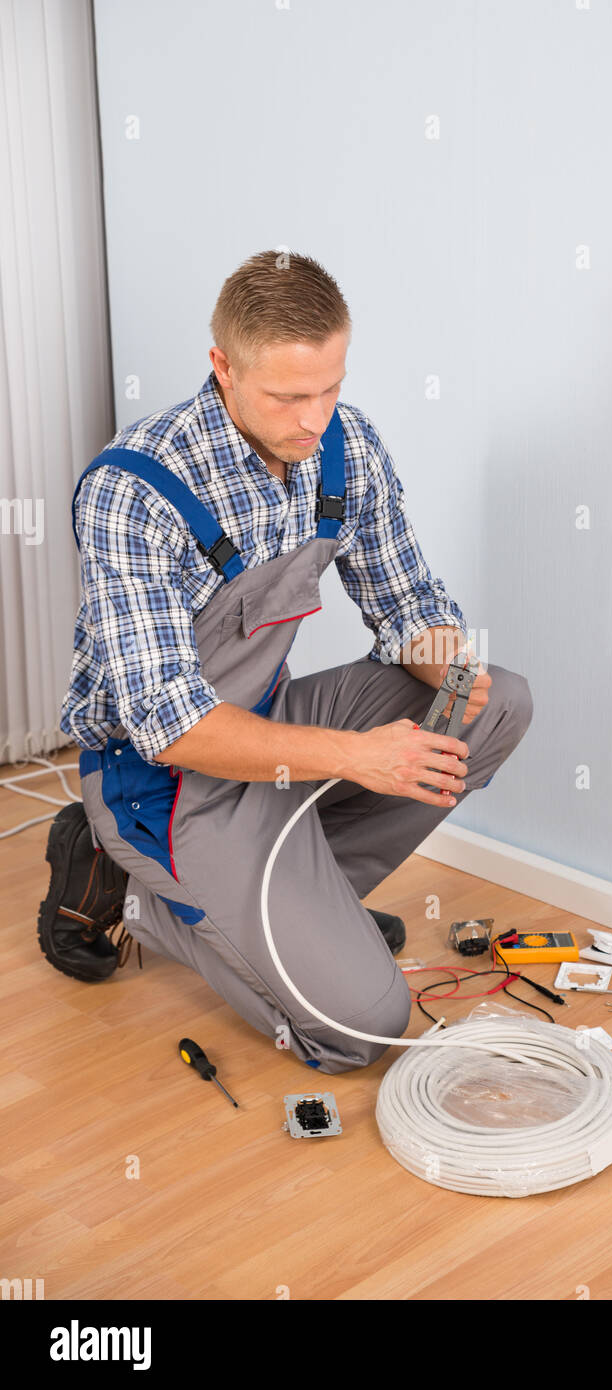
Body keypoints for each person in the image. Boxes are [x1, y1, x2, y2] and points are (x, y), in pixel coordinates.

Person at [39, 250, 533, 1073]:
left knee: (498, 703)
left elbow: (406, 604)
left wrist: (447, 671)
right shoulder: (135, 491)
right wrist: (360, 757)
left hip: (269, 728)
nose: (316, 418)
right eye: (289, 396)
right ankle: (142, 896)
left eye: (331, 387)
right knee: (361, 1030)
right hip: (163, 781)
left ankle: (306, 912)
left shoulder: (343, 444)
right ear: (223, 369)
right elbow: (173, 730)